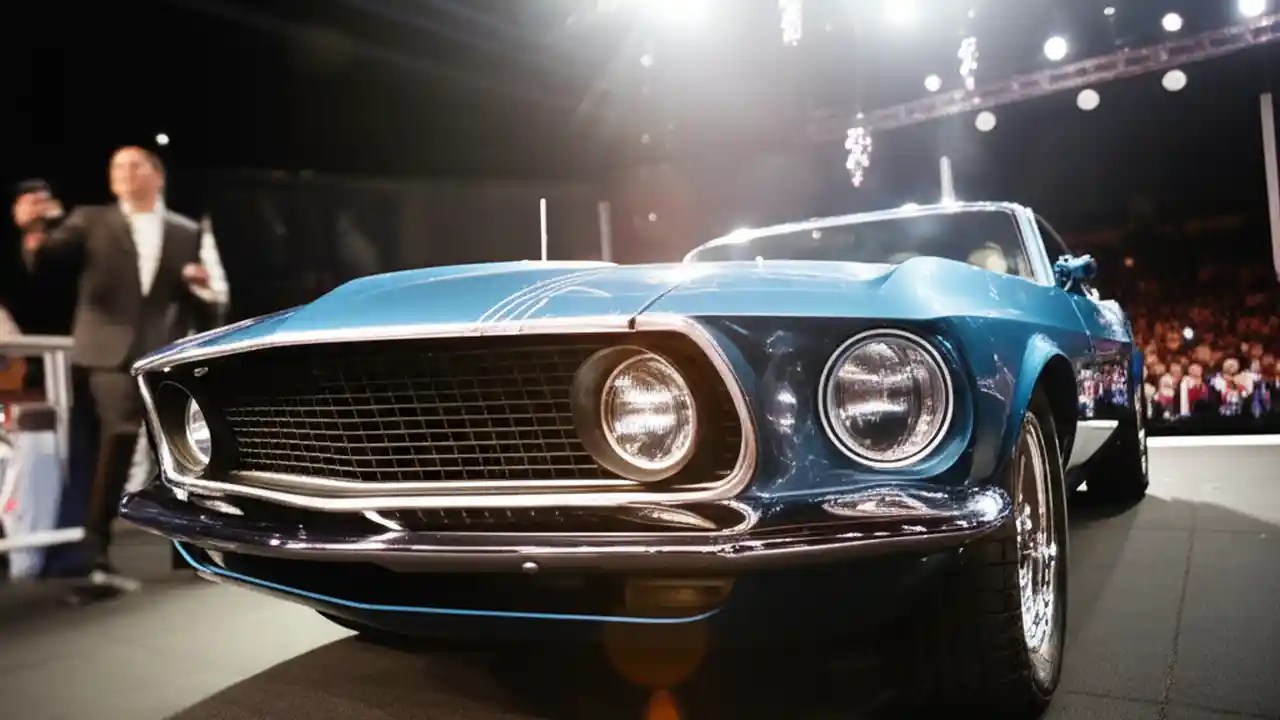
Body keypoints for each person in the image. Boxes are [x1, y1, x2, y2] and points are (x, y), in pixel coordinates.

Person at [11, 146, 229, 599]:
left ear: (158, 175)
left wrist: (203, 289)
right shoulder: (91, 219)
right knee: (117, 440)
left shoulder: (185, 231)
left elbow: (212, 301)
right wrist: (32, 230)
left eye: (134, 166)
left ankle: (186, 550)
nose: (123, 175)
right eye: (116, 168)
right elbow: (49, 261)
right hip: (105, 354)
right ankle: (94, 553)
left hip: (158, 356)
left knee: (176, 449)